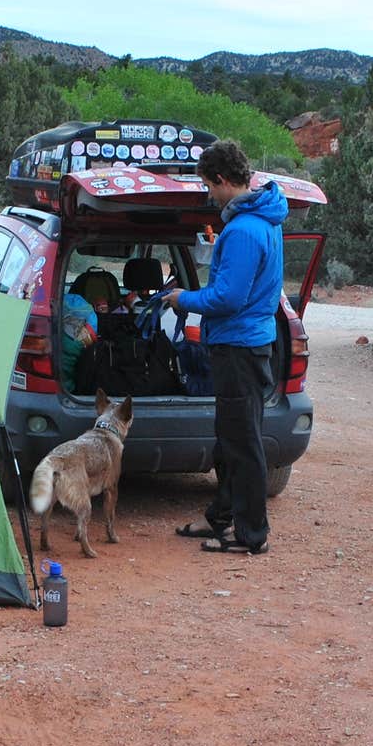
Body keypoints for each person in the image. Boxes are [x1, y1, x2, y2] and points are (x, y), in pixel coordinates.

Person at [165, 140, 287, 555]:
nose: (210, 195)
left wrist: (184, 300)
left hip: (238, 346)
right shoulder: (265, 221)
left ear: (220, 179)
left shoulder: (242, 230)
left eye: (209, 187)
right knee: (230, 438)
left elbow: (226, 299)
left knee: (242, 443)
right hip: (249, 345)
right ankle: (220, 517)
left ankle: (252, 536)